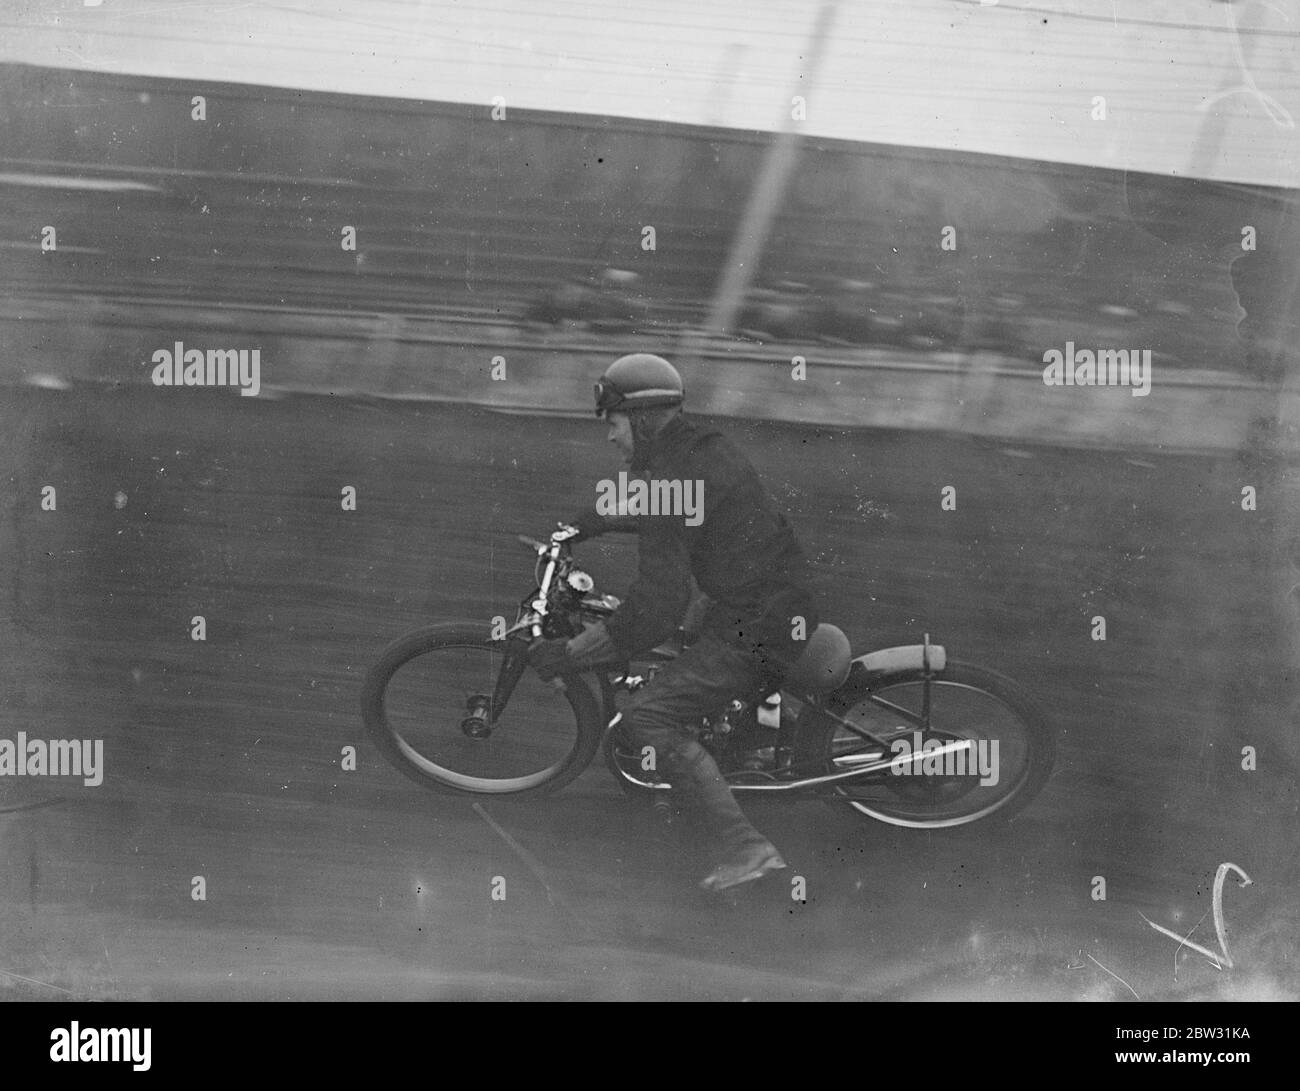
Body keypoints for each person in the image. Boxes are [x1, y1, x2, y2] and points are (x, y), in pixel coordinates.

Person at [528, 353, 820, 892]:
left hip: (755, 621)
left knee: (647, 717)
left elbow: (657, 607)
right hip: (770, 595)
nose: (609, 438)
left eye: (612, 423)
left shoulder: (678, 467)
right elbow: (655, 502)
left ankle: (747, 850)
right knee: (680, 653)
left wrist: (573, 655)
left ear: (639, 418)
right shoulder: (695, 448)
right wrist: (581, 527)